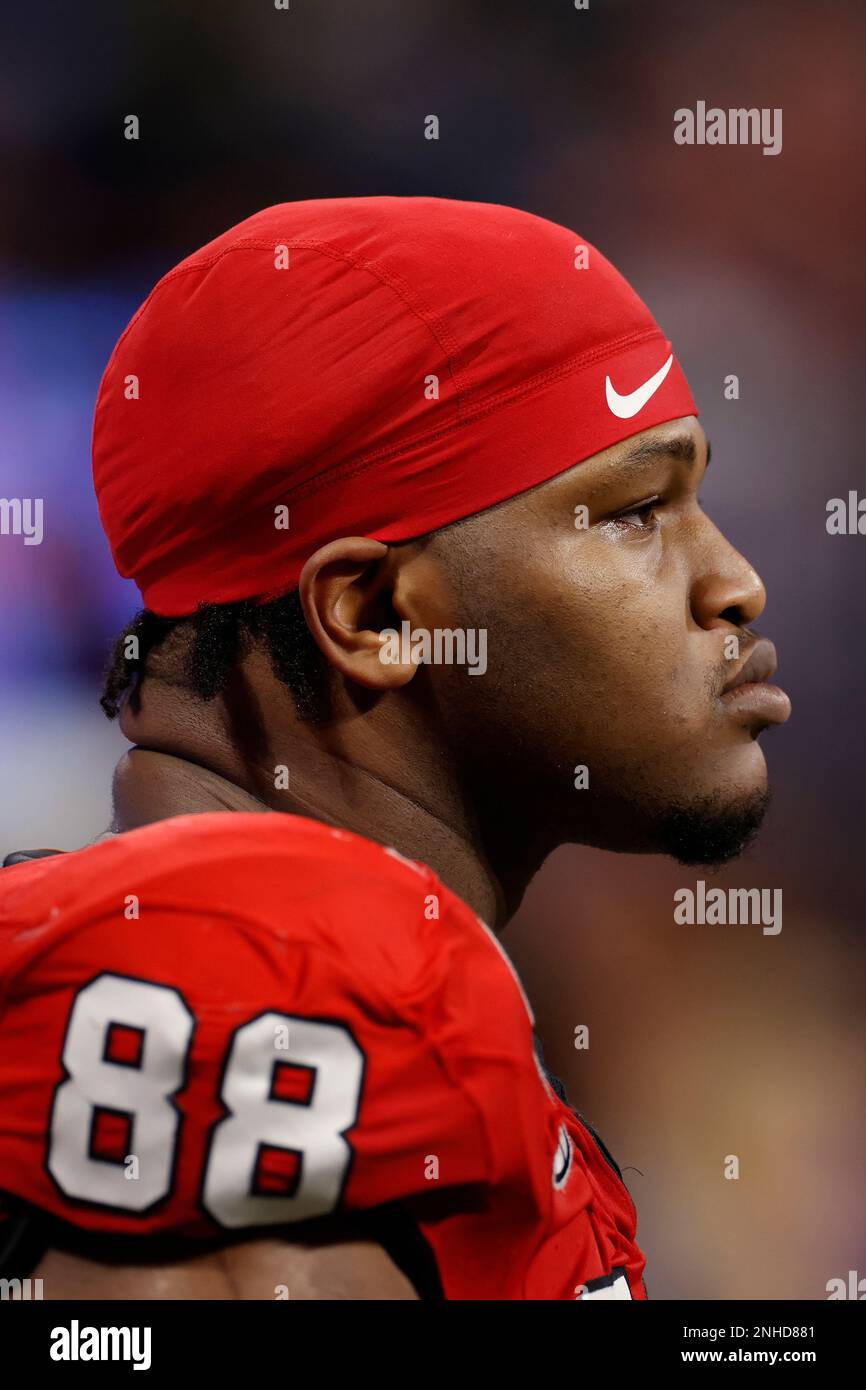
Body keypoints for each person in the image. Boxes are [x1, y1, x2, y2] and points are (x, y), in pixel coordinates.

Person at [0, 197, 789, 1300]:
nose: (733, 584)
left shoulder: (350, 964)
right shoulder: (260, 968)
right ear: (374, 613)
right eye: (634, 511)